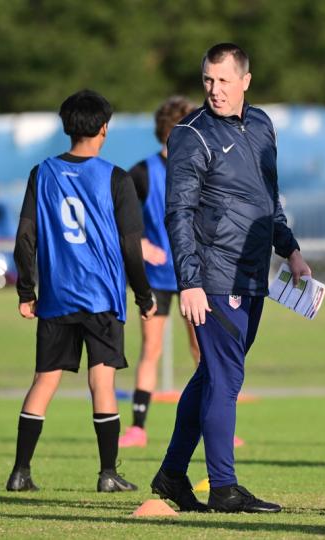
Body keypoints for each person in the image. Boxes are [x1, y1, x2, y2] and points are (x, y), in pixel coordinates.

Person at [149, 43, 311, 513]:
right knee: (225, 379)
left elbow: (269, 199)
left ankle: (172, 476)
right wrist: (190, 281)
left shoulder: (261, 125)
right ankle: (223, 487)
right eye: (207, 80)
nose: (214, 90)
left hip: (253, 274)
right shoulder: (190, 135)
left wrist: (291, 249)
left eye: (223, 80)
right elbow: (177, 213)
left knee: (209, 377)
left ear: (245, 80)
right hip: (214, 277)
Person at [6, 89, 157, 493]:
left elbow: (25, 238)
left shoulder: (42, 173)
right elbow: (130, 247)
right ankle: (108, 474)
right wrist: (144, 296)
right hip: (102, 298)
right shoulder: (116, 178)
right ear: (104, 127)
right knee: (102, 384)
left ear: (66, 126)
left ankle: (20, 471)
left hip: (56, 298)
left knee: (43, 381)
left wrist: (26, 291)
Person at [118, 96, 201, 449]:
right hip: (157, 279)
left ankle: (216, 424)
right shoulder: (142, 173)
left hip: (195, 276)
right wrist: (139, 246)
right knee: (150, 349)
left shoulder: (203, 168)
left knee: (203, 350)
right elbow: (116, 219)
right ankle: (138, 427)